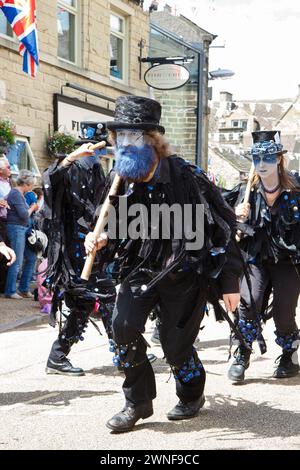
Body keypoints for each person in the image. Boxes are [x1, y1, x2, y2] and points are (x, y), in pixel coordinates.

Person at [84, 95, 243, 433]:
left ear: (153, 141)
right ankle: (137, 401)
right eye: (121, 137)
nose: (125, 144)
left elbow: (223, 227)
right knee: (123, 327)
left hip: (184, 273)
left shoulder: (187, 177)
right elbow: (112, 225)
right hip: (138, 271)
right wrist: (100, 238)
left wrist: (230, 283)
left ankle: (191, 393)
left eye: (134, 137)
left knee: (175, 346)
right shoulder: (121, 179)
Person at [226, 131, 300, 382]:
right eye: (257, 158)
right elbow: (221, 217)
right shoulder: (246, 191)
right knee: (249, 301)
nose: (262, 163)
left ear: (279, 158)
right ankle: (242, 353)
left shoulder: (297, 188)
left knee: (284, 311)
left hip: (288, 260)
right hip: (255, 258)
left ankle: (289, 355)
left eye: (268, 157)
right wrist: (236, 215)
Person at [42, 141, 116, 376]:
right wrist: (70, 158)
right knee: (106, 295)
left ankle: (57, 356)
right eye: (88, 152)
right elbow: (50, 182)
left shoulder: (96, 174)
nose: (93, 158)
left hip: (93, 249)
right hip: (73, 255)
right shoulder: (67, 172)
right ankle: (126, 353)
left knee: (84, 305)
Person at [4, 170, 39, 299]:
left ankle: (24, 288)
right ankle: (10, 290)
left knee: (31, 258)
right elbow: (24, 215)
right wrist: (32, 208)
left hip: (23, 229)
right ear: (27, 184)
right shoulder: (15, 193)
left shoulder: (21, 194)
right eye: (31, 185)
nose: (31, 188)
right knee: (16, 260)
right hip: (16, 228)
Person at [0, 156, 12, 292]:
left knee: (7, 255)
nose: (10, 169)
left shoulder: (10, 182)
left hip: (9, 220)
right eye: (8, 167)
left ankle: (3, 286)